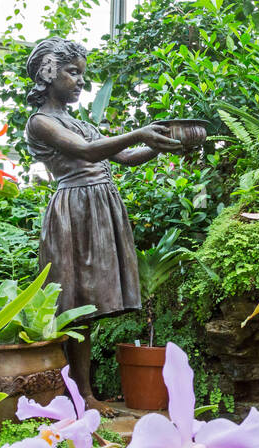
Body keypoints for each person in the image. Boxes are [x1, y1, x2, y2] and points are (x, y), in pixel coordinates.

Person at [23, 37, 182, 410]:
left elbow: (124, 157)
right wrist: (140, 131)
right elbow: (86, 152)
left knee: (89, 306)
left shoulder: (78, 122)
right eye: (72, 72)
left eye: (82, 73)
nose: (80, 80)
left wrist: (160, 143)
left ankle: (81, 394)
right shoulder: (41, 122)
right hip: (74, 211)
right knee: (75, 305)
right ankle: (83, 396)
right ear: (48, 73)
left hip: (99, 207)